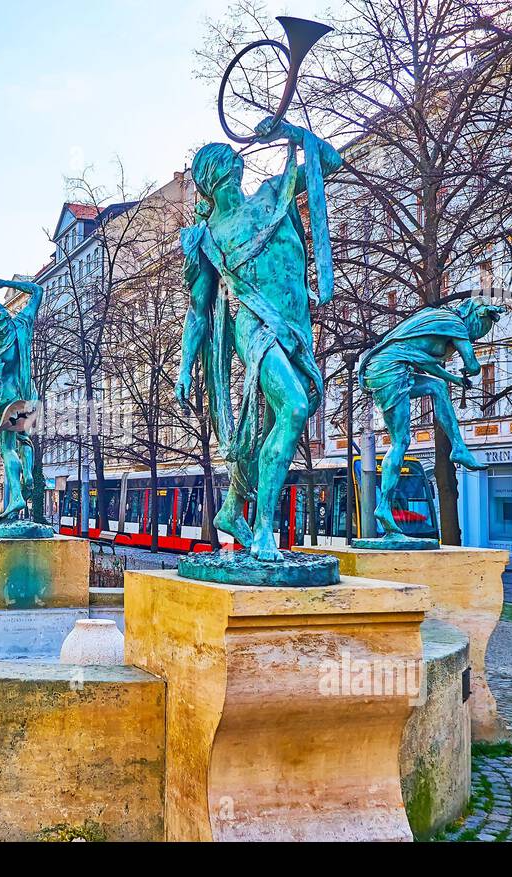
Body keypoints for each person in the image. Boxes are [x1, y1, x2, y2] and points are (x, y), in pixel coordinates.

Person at [175, 116, 342, 561]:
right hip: (255, 327)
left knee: (268, 432)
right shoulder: (208, 238)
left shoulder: (274, 192)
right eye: (224, 161)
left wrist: (291, 131)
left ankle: (232, 509)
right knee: (294, 406)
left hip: (294, 327)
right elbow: (198, 309)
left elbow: (332, 161)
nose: (234, 162)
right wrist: (184, 368)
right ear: (216, 176)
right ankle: (265, 529)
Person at [359, 297, 501, 537]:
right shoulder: (454, 323)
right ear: (475, 319)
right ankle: (383, 508)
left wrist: (454, 379)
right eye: (478, 334)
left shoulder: (439, 318)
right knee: (400, 442)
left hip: (389, 366)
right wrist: (471, 368)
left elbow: (419, 358)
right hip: (388, 370)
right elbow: (473, 364)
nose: (474, 339)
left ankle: (458, 448)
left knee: (438, 388)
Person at [0, 278, 43, 522]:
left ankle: (16, 497)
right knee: (23, 437)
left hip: (6, 401)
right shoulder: (23, 324)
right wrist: (5, 282)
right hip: (29, 398)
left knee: (7, 448)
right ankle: (28, 472)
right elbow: (37, 290)